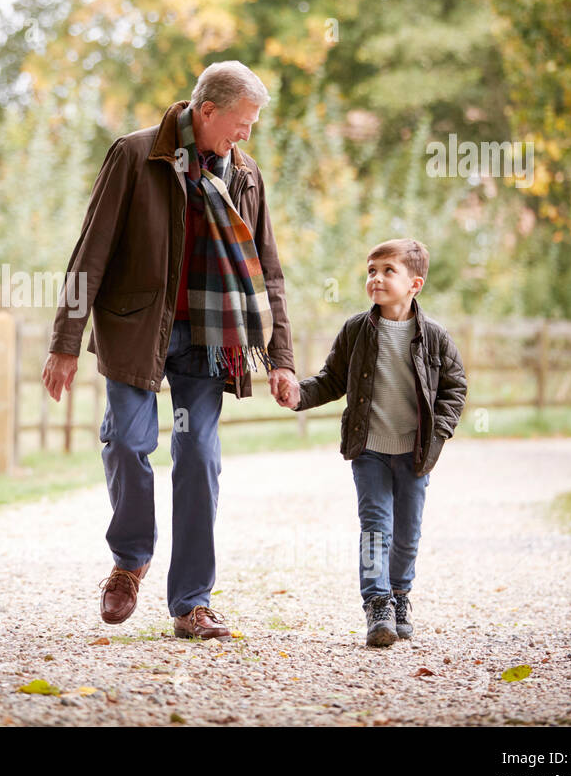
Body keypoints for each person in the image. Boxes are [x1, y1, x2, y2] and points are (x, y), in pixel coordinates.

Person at [41, 61, 298, 640]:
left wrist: (281, 358)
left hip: (211, 339)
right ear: (206, 111)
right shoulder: (137, 156)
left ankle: (191, 603)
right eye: (241, 122)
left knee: (199, 460)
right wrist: (65, 341)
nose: (246, 136)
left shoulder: (246, 176)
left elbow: (268, 274)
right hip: (137, 329)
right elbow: (91, 252)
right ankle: (130, 562)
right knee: (129, 443)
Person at [289, 238, 468, 646]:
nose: (377, 278)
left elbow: (455, 387)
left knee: (407, 532)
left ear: (415, 284)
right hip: (368, 449)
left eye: (389, 271)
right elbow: (332, 379)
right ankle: (377, 604)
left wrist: (439, 433)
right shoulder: (356, 331)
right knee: (375, 529)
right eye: (372, 270)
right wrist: (299, 395)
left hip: (415, 452)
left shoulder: (435, 337)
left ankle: (400, 594)